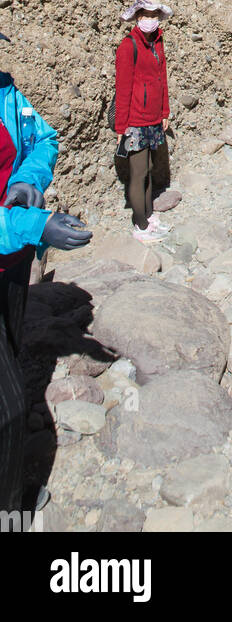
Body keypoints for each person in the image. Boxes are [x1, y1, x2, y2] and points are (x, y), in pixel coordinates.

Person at [0, 28, 91, 512]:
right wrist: (34, 223)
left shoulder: (6, 93)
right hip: (13, 241)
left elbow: (44, 137)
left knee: (14, 353)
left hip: (10, 265)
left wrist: (27, 181)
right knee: (10, 407)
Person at [114, 0, 173, 244]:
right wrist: (121, 125)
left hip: (153, 119)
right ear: (137, 16)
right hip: (136, 120)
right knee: (138, 172)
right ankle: (140, 226)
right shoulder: (128, 47)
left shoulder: (157, 43)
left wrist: (165, 112)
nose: (150, 19)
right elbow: (123, 88)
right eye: (145, 15)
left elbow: (162, 80)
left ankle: (148, 217)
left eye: (153, 15)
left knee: (148, 169)